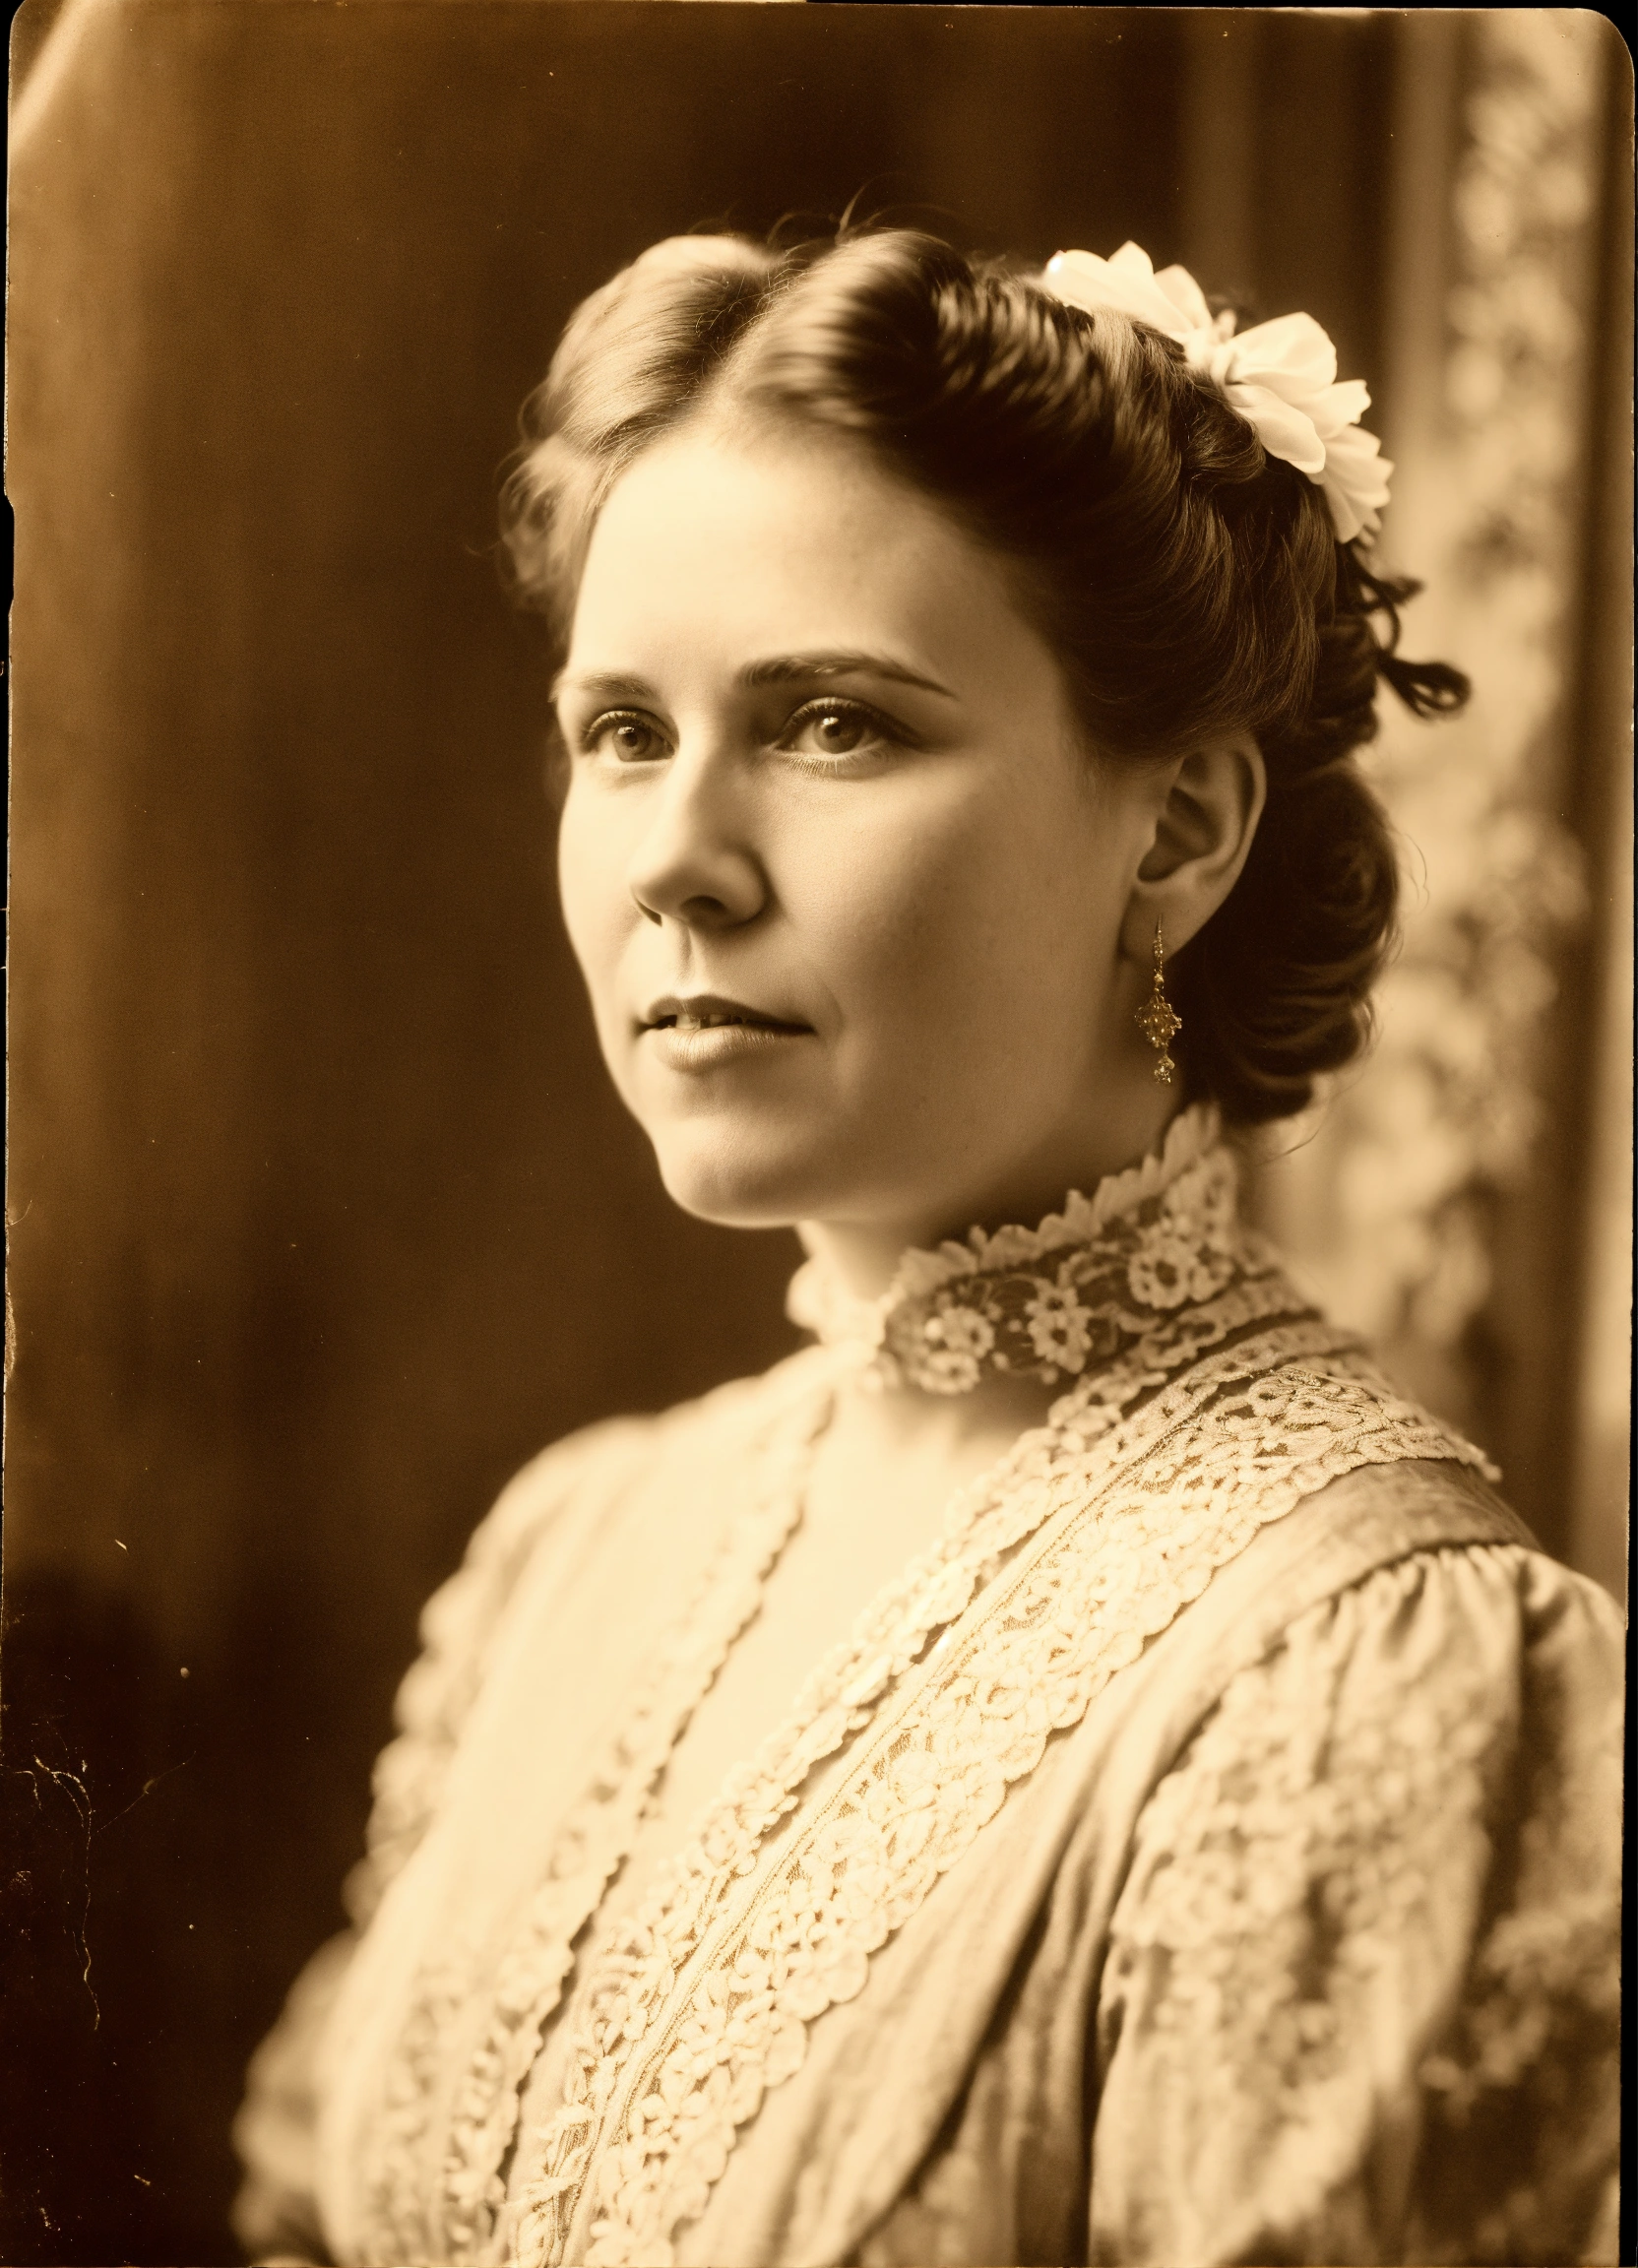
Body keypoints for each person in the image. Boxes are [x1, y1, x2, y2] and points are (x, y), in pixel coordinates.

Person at [232, 228, 1622, 2268]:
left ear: (1176, 835)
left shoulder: (1371, 1676)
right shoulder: (581, 1548)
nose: (676, 864)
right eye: (622, 732)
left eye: (831, 726)